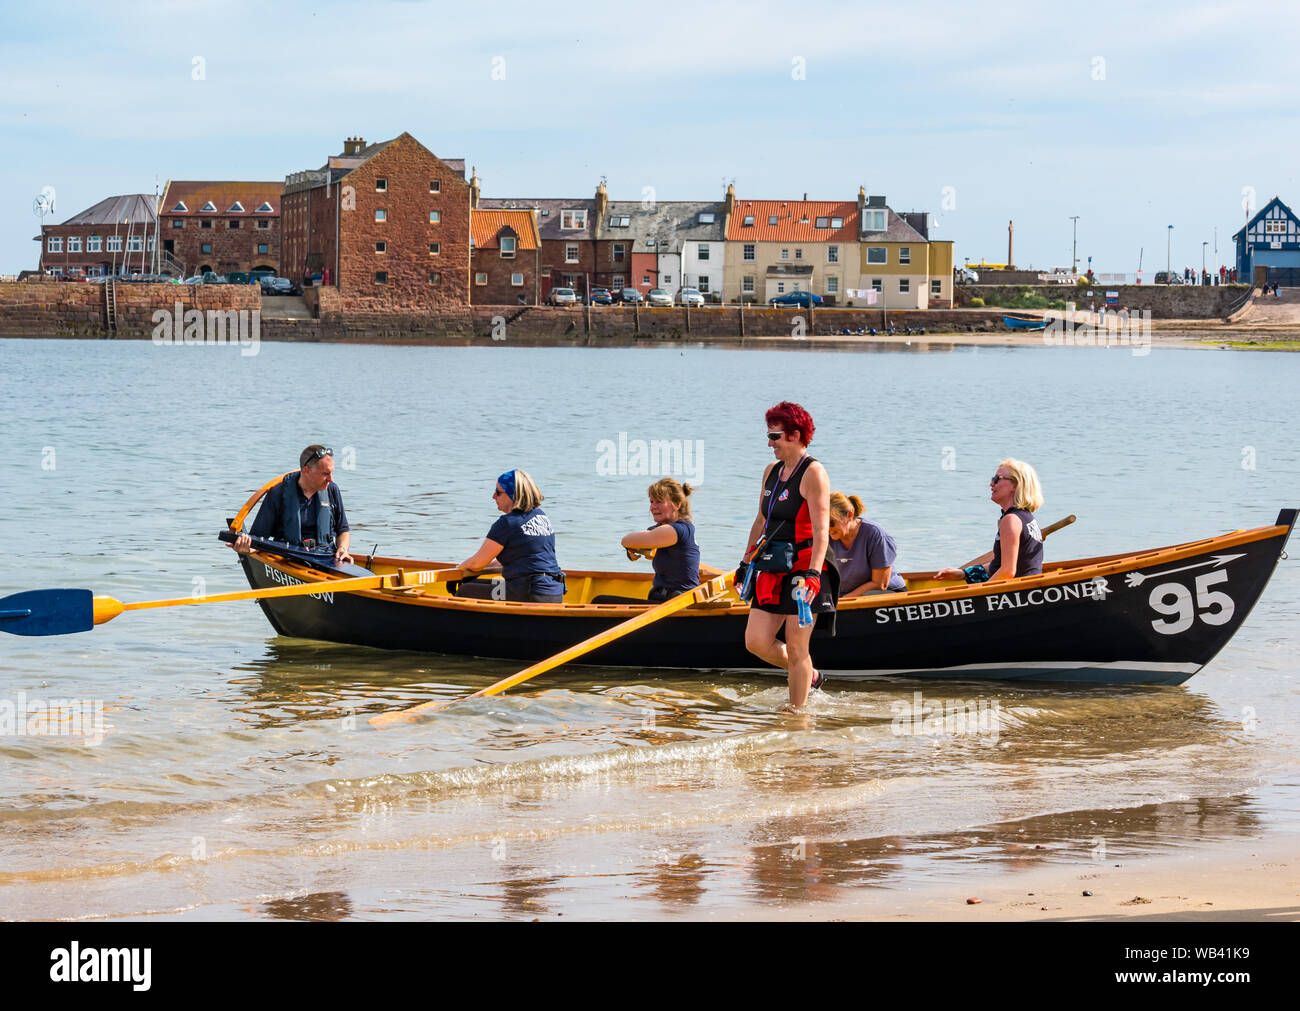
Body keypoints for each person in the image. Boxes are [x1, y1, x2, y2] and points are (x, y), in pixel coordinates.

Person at [736, 401, 837, 708]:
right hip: (773, 564)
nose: (770, 443)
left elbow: (822, 532)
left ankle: (798, 717)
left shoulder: (814, 473)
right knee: (755, 641)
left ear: (795, 435)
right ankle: (810, 675)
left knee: (797, 648)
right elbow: (760, 521)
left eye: (775, 436)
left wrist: (813, 576)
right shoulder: (771, 471)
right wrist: (744, 563)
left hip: (807, 567)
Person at [231, 445, 352, 563]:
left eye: (331, 473)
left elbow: (343, 531)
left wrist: (342, 549)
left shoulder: (332, 490)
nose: (331, 479)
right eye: (325, 474)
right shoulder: (277, 494)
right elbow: (257, 541)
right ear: (307, 470)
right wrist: (246, 549)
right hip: (288, 559)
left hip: (326, 558)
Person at [459, 469, 565, 603]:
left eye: (498, 492)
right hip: (554, 592)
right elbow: (520, 559)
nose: (493, 496)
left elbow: (476, 563)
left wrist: (458, 571)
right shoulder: (541, 517)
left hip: (527, 593)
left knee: (465, 590)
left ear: (512, 494)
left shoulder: (507, 523)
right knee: (478, 584)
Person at [934, 458, 1044, 584]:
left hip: (1016, 592)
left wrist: (980, 593)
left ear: (1015, 485)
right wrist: (964, 573)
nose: (991, 484)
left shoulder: (1011, 520)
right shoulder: (1026, 518)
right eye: (993, 479)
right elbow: (1000, 564)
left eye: (997, 479)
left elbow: (1007, 572)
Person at [620, 479, 701, 602]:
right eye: (651, 502)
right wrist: (632, 549)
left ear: (677, 504)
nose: (653, 507)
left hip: (675, 603)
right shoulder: (670, 527)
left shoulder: (675, 530)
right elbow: (640, 538)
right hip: (667, 599)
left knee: (599, 600)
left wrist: (631, 544)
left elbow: (625, 540)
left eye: (659, 502)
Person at [828, 492, 906, 596]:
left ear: (849, 515)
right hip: (844, 595)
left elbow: (880, 583)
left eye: (830, 523)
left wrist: (845, 600)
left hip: (884, 593)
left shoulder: (874, 534)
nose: (827, 528)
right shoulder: (823, 535)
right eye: (822, 522)